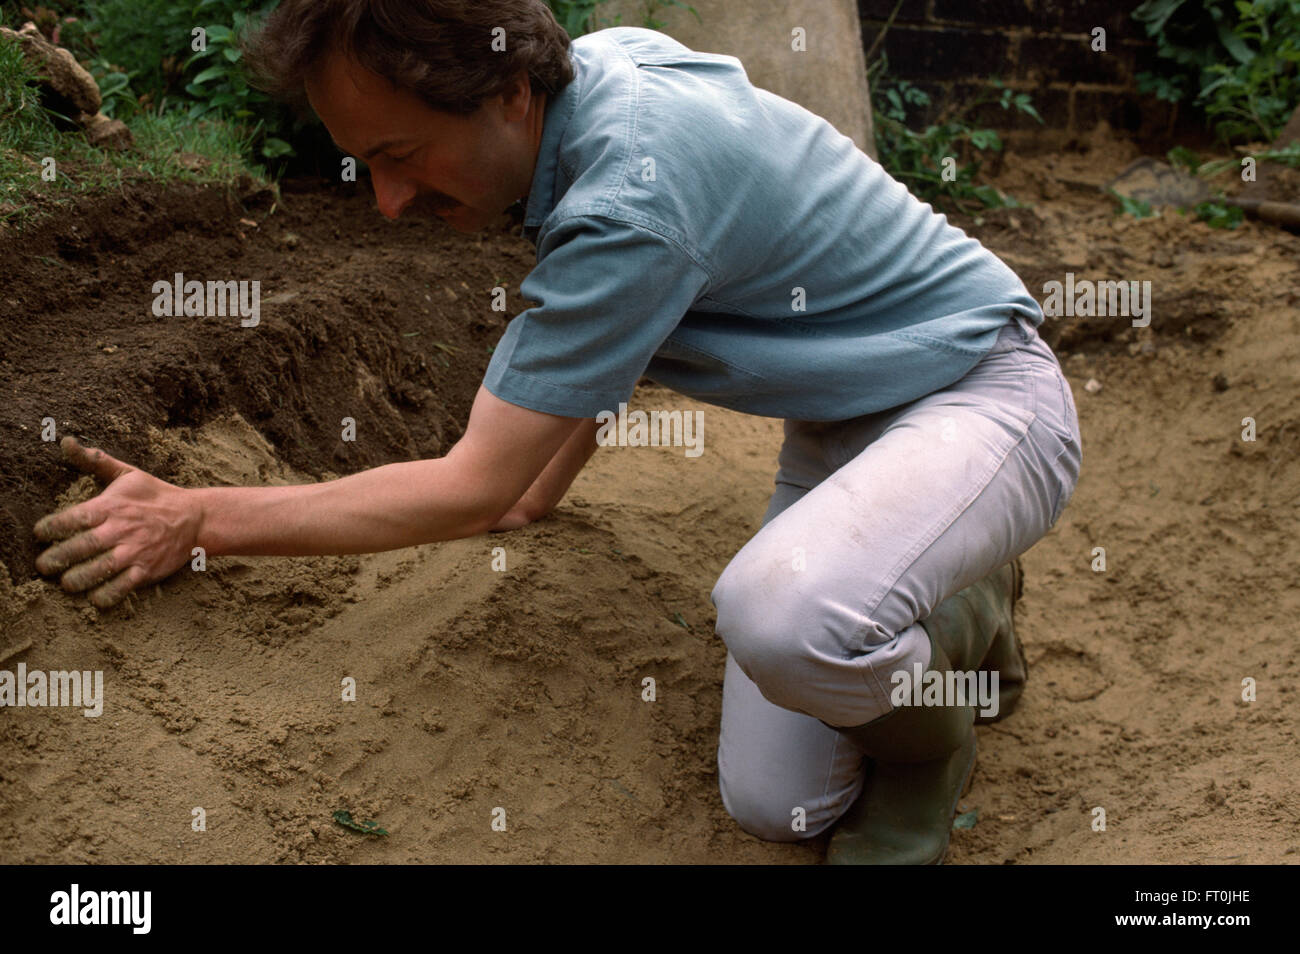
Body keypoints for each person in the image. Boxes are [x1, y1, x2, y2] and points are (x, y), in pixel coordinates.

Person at [32, 0, 1081, 864]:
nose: (387, 201)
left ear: (511, 92)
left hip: (980, 397)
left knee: (779, 615)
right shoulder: (595, 77)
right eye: (364, 163)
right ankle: (942, 594)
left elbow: (475, 488)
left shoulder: (633, 195)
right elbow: (535, 465)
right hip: (845, 420)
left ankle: (928, 739)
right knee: (782, 809)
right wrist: (529, 479)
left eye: (401, 156)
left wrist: (196, 516)